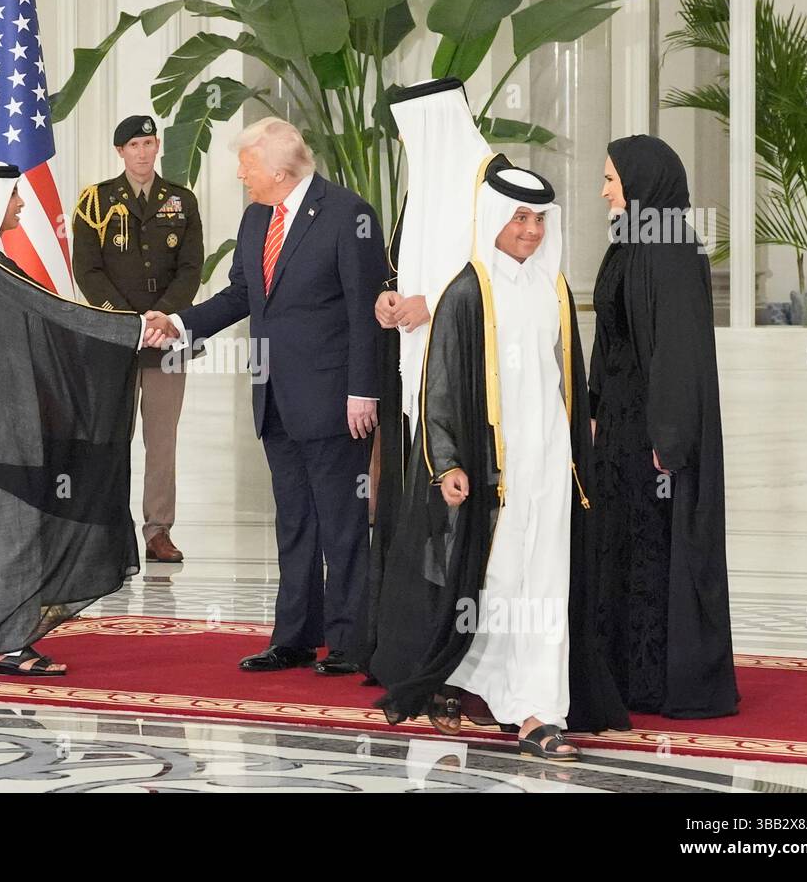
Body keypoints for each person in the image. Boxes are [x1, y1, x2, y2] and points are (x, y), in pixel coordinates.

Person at [370, 161, 628, 760]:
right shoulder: (467, 291)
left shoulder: (555, 288)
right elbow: (439, 383)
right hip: (495, 471)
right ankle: (470, 684)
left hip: (551, 465)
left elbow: (570, 375)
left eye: (539, 218)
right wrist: (447, 462)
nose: (532, 230)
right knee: (499, 582)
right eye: (520, 217)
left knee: (546, 581)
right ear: (494, 218)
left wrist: (578, 446)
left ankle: (539, 709)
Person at [144, 117, 386, 675]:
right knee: (294, 519)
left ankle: (351, 642)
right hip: (275, 396)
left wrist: (363, 391)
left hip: (334, 399)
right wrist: (179, 323)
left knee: (341, 521)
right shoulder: (258, 217)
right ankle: (296, 636)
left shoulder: (349, 215)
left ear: (279, 170)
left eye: (247, 166)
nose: (240, 174)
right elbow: (241, 295)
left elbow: (362, 312)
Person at [0, 163, 146, 677]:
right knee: (13, 532)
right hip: (3, 429)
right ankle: (12, 644)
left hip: (6, 423)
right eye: (14, 195)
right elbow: (59, 317)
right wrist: (133, 329)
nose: (21, 204)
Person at [591, 135, 739, 718]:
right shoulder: (628, 243)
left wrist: (669, 440)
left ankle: (656, 678)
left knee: (654, 545)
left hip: (652, 432)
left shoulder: (672, 246)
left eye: (610, 179)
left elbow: (679, 352)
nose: (603, 191)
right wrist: (597, 408)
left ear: (642, 180)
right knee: (623, 542)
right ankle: (623, 673)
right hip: (622, 428)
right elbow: (610, 337)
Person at [358, 78, 492, 679]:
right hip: (412, 370)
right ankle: (407, 644)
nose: (407, 141)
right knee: (411, 508)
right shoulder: (424, 186)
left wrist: (434, 307)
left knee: (454, 510)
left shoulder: (490, 181)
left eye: (412, 129)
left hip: (467, 381)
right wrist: (388, 301)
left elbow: (497, 280)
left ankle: (461, 650)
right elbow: (397, 265)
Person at [72, 115, 204, 563]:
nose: (144, 152)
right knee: (110, 435)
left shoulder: (181, 201)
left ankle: (157, 530)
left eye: (149, 143)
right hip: (114, 338)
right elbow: (87, 269)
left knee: (162, 438)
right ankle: (106, 527)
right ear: (120, 151)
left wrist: (163, 316)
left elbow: (190, 268)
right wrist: (127, 321)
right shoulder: (96, 201)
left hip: (167, 339)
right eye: (134, 145)